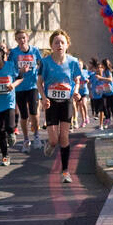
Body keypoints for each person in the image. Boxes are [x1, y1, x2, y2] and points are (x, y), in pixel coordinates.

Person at [41, 29, 83, 183]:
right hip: (51, 103)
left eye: (62, 42)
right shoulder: (45, 62)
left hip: (66, 103)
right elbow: (40, 82)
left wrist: (76, 92)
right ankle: (50, 144)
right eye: (56, 42)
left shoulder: (73, 62)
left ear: (67, 45)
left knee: (64, 137)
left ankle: (65, 171)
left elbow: (77, 79)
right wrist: (44, 97)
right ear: (51, 45)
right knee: (54, 140)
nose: (59, 45)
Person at [8, 29, 42, 151]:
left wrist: (39, 75)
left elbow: (41, 64)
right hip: (19, 86)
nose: (22, 40)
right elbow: (10, 70)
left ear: (27, 38)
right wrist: (20, 72)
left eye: (23, 38)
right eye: (19, 38)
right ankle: (26, 139)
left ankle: (36, 136)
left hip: (32, 86)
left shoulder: (35, 50)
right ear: (16, 40)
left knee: (33, 112)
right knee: (24, 115)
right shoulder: (14, 53)